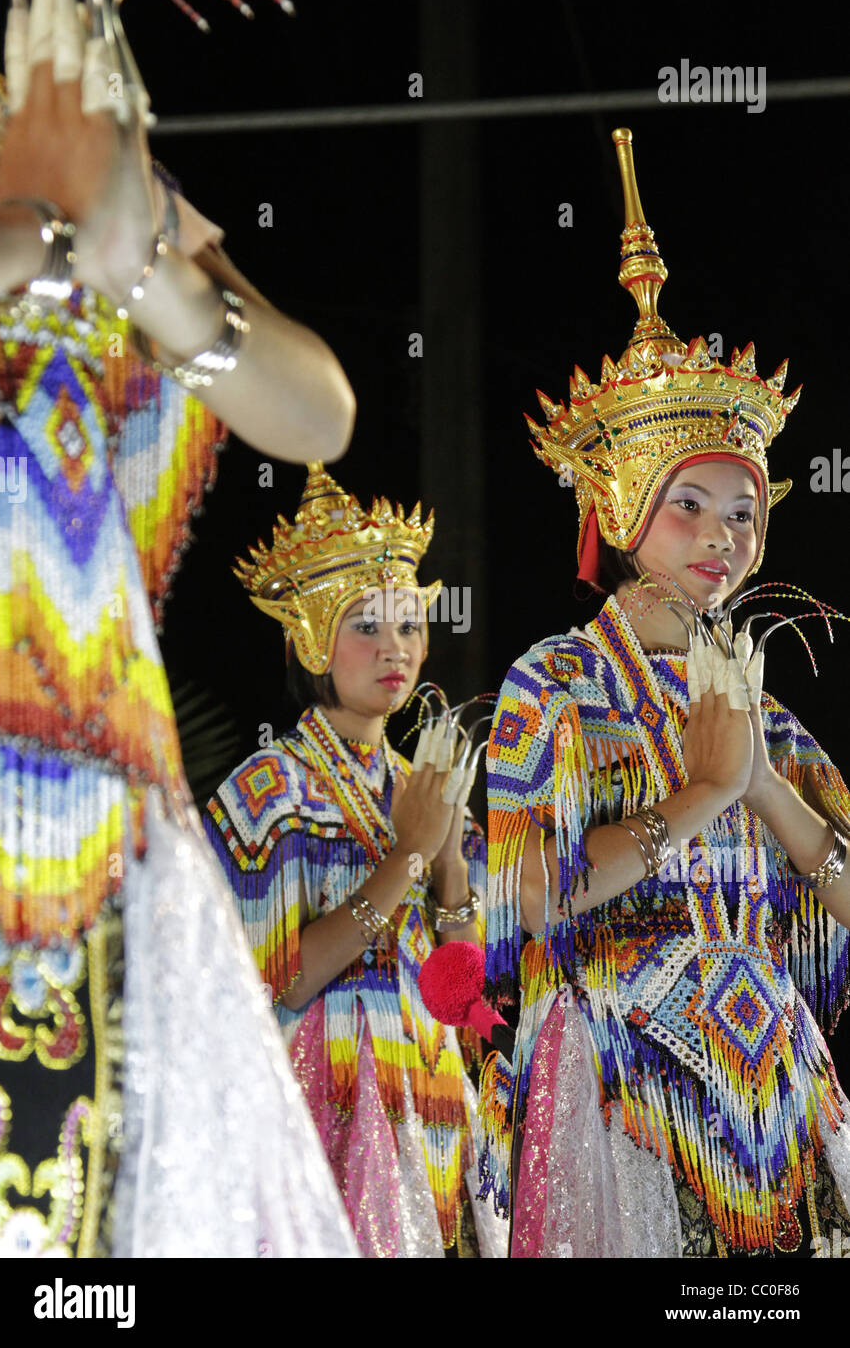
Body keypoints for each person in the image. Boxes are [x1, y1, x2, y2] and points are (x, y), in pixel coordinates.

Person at [0, 0, 359, 1257]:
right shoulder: (34, 167)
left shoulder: (59, 142)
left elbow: (316, 414)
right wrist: (32, 226)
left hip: (103, 851)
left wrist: (146, 268)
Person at [479, 128, 850, 1259]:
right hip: (617, 1080)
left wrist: (766, 796)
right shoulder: (553, 680)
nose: (721, 538)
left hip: (768, 1080)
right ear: (622, 505)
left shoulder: (759, 711)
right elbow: (531, 901)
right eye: (686, 504)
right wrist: (693, 799)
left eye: (740, 512)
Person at [203, 462, 506, 1258]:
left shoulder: (423, 785)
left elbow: (458, 993)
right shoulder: (264, 791)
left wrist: (450, 872)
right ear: (310, 634)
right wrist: (407, 855)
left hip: (429, 1092)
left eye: (409, 624)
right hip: (319, 1103)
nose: (395, 647)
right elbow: (277, 981)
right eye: (367, 625)